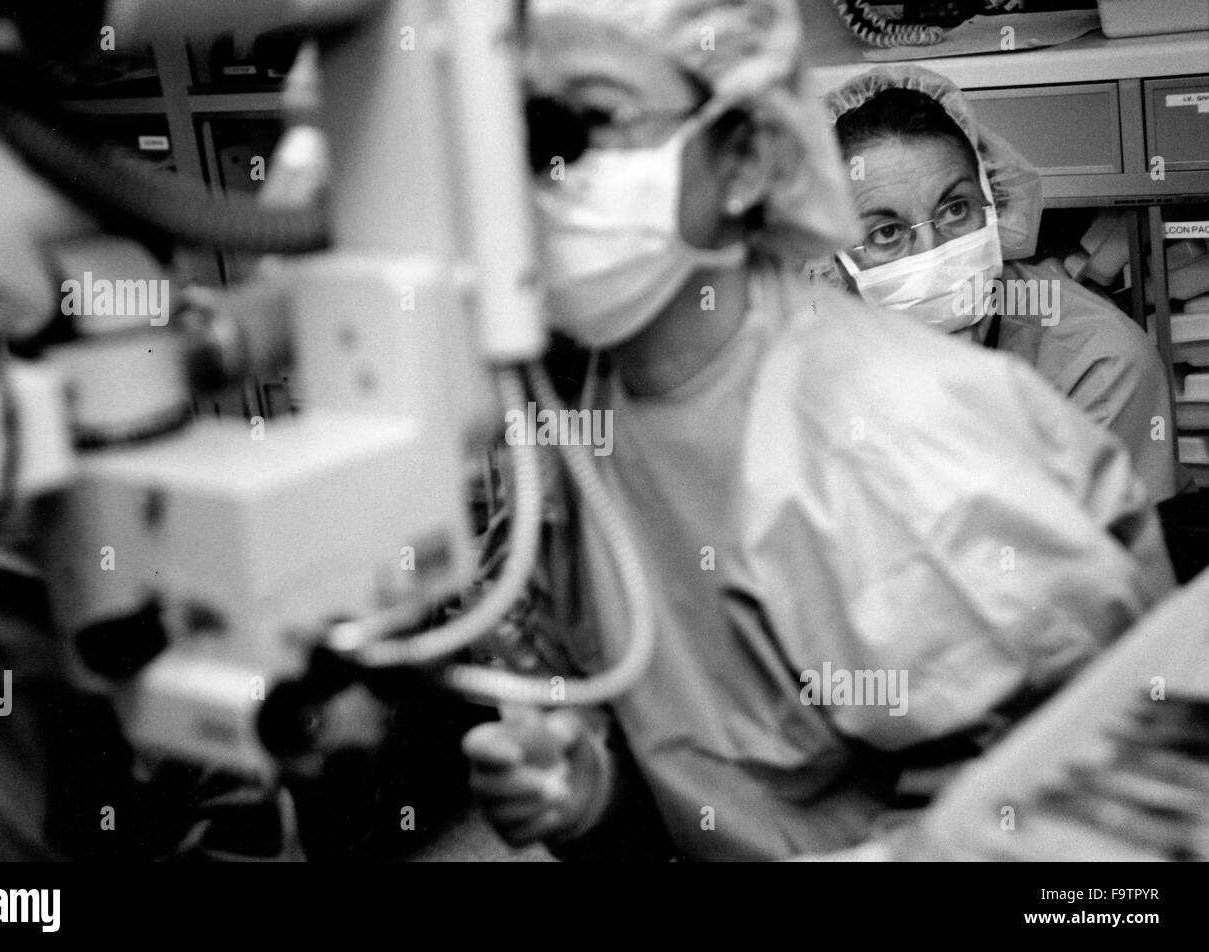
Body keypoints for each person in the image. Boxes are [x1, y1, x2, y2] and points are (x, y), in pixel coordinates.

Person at [462, 0, 1177, 861]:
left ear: (746, 156)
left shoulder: (897, 441)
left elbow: (1096, 866)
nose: (543, 168)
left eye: (588, 121)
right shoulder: (573, 432)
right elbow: (700, 770)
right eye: (513, 125)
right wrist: (593, 802)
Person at [814, 64, 1185, 503]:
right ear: (833, 257)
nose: (933, 256)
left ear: (994, 202)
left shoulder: (1098, 365)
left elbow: (1108, 564)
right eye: (887, 233)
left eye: (955, 210)